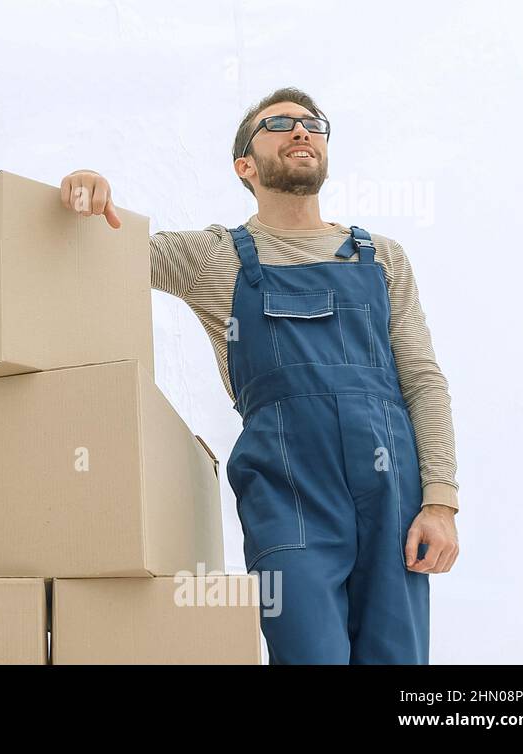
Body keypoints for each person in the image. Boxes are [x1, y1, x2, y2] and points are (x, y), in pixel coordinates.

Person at [59, 87, 459, 664]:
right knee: (308, 655)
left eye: (313, 124)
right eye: (278, 124)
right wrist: (82, 192)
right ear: (245, 165)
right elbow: (92, 255)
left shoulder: (381, 257)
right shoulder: (213, 257)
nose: (301, 131)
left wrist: (441, 502)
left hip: (393, 494)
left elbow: (423, 381)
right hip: (289, 494)